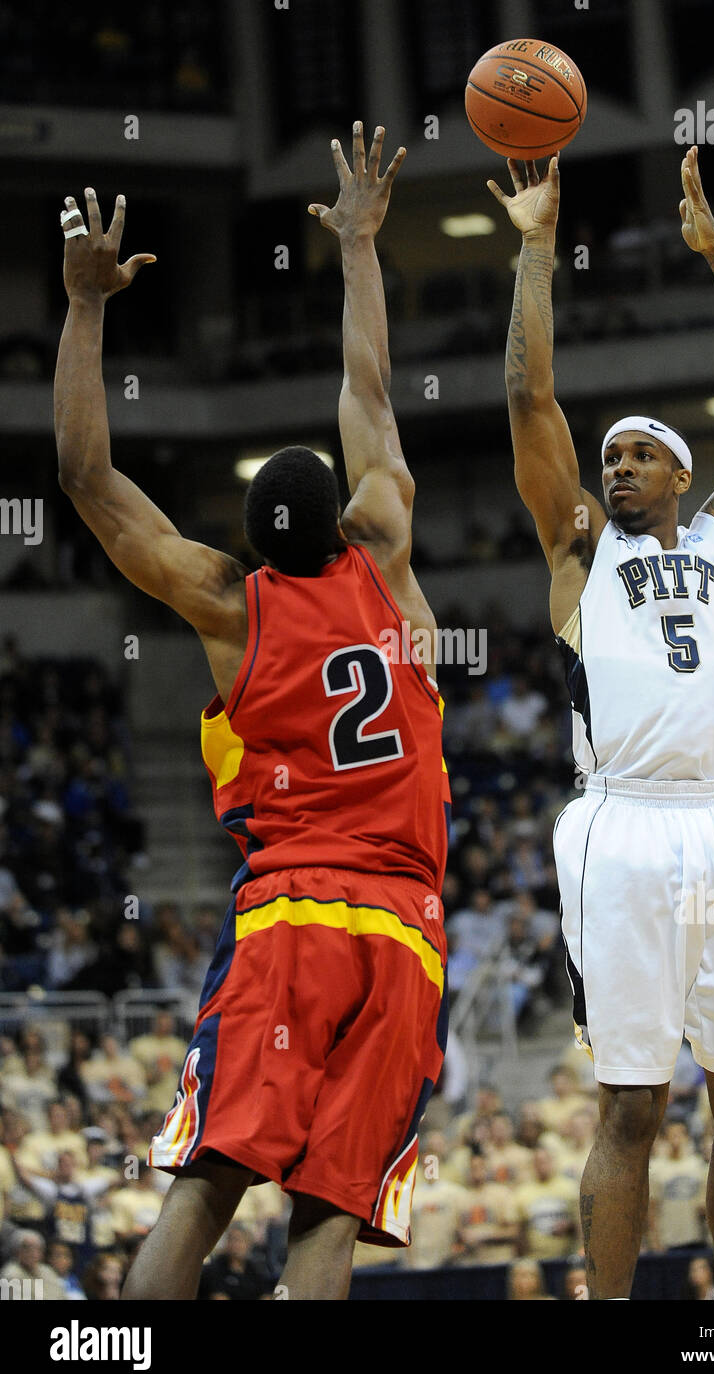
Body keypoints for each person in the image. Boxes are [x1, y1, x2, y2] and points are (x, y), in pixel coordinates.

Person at [54, 121, 450, 1301]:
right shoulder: (390, 559)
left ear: (249, 543)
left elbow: (87, 482)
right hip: (404, 940)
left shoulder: (231, 604)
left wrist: (85, 309)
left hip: (287, 929)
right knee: (328, 1218)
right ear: (345, 520)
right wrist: (361, 247)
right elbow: (366, 389)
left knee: (208, 1183)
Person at [487, 144, 714, 1299]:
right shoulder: (577, 553)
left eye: (637, 455)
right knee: (631, 1102)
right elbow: (528, 398)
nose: (615, 466)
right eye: (608, 455)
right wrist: (534, 245)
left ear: (681, 476)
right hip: (622, 827)